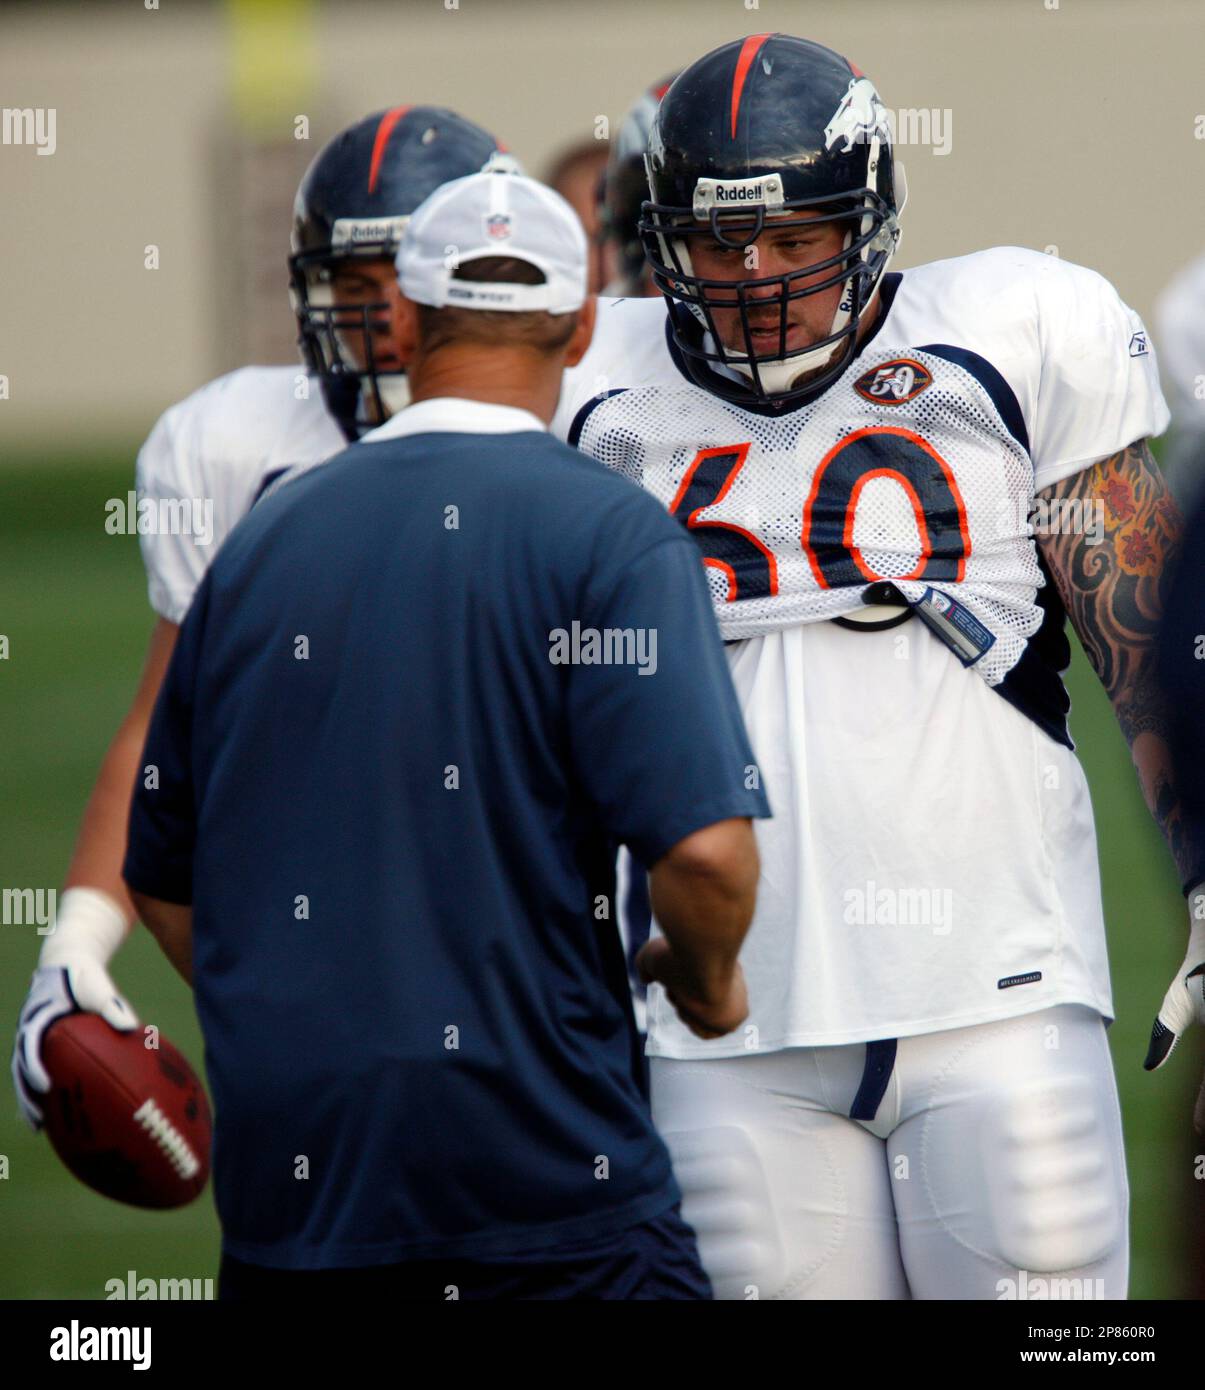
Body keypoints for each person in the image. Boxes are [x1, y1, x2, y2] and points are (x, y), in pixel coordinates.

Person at [551, 33, 1197, 1299]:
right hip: (723, 1025)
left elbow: (1150, 637)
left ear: (870, 217)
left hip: (997, 998)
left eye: (795, 239)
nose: (756, 279)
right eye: (721, 245)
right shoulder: (588, 389)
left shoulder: (1014, 331)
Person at [122, 169, 770, 1299]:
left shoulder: (259, 545)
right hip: (548, 1188)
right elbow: (706, 854)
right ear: (577, 329)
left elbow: (166, 879)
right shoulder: (612, 539)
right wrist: (704, 979)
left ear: (407, 322)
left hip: (300, 1196)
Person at [12, 105, 514, 1128]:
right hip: (325, 955)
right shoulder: (230, 442)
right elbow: (164, 724)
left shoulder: (586, 415)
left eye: (403, 279)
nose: (377, 314)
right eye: (349, 282)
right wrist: (71, 943)